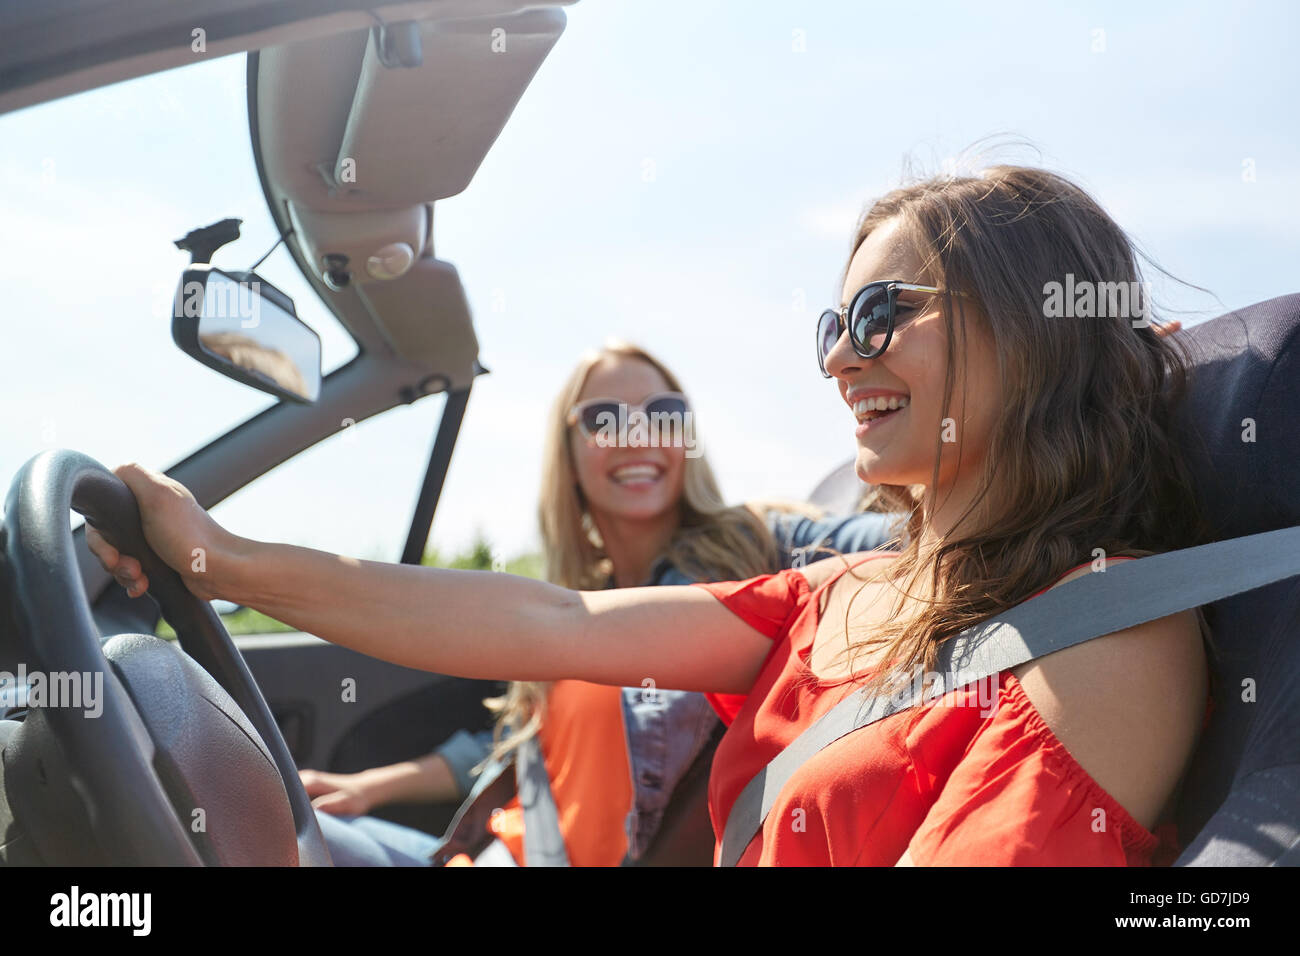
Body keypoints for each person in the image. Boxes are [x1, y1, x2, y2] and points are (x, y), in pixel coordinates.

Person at [89, 164, 1212, 865]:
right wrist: (221, 557)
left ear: (1034, 327)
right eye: (830, 325)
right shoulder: (833, 593)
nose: (840, 360)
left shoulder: (1110, 633)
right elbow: (552, 623)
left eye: (880, 312)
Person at [252, 342, 898, 866]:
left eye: (663, 414)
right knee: (262, 829)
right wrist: (366, 789)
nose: (638, 436)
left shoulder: (760, 544)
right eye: (605, 419)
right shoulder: (569, 596)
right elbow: (519, 745)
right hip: (484, 848)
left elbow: (912, 548)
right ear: (570, 450)